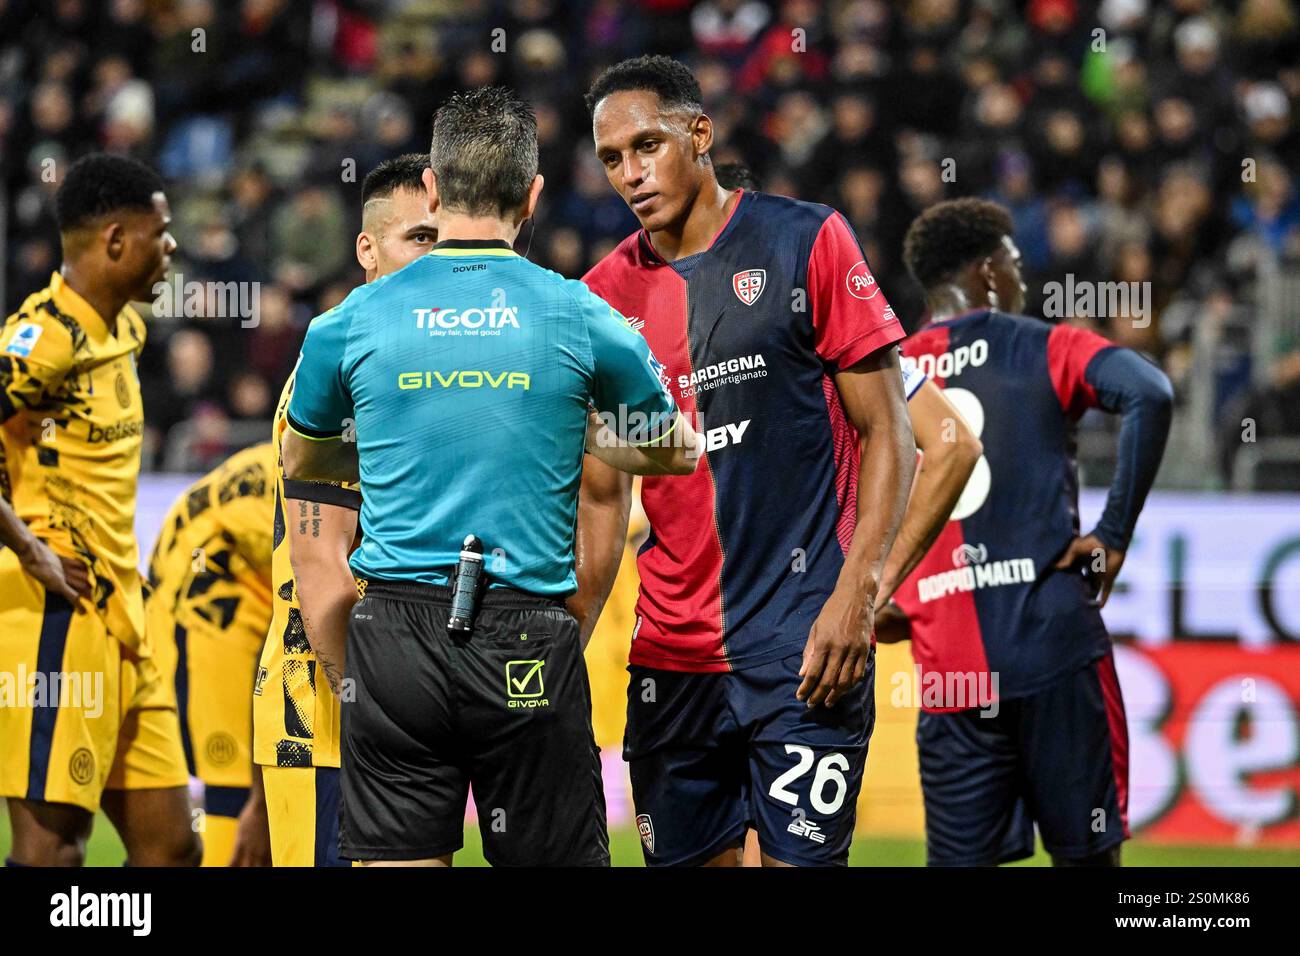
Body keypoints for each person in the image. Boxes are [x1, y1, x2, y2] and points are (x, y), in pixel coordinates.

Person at [281, 87, 697, 867]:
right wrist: (574, 424)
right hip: (523, 634)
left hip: (394, 639)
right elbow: (675, 449)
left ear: (434, 191)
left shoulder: (346, 324)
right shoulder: (580, 313)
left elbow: (303, 459)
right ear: (533, 196)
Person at [577, 55, 917, 868]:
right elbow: (599, 496)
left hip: (805, 643)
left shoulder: (809, 239)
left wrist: (857, 597)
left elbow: (891, 434)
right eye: (612, 159)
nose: (630, 172)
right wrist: (566, 645)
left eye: (647, 146)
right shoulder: (600, 299)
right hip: (670, 659)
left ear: (700, 134)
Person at [880, 197, 1173, 866]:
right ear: (987, 273)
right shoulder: (1046, 345)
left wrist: (878, 587)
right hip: (1054, 652)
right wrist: (1114, 534)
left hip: (951, 673)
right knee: (1087, 857)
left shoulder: (886, 374)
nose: (1022, 278)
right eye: (1013, 262)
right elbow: (1149, 393)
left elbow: (840, 489)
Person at [0, 153, 199, 866]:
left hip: (123, 615)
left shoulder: (125, 331)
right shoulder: (44, 335)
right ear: (117, 240)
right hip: (56, 613)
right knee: (54, 850)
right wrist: (27, 549)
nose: (171, 247)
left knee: (173, 848)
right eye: (161, 231)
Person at [252, 153, 438, 868]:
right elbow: (317, 557)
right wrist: (369, 705)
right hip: (324, 708)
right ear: (367, 249)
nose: (435, 259)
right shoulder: (335, 370)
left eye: (444, 242)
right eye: (417, 238)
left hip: (401, 700)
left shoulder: (417, 368)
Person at [143, 441, 276, 867]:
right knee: (234, 782)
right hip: (209, 614)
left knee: (243, 778)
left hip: (183, 596)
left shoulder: (278, 456)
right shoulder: (335, 469)